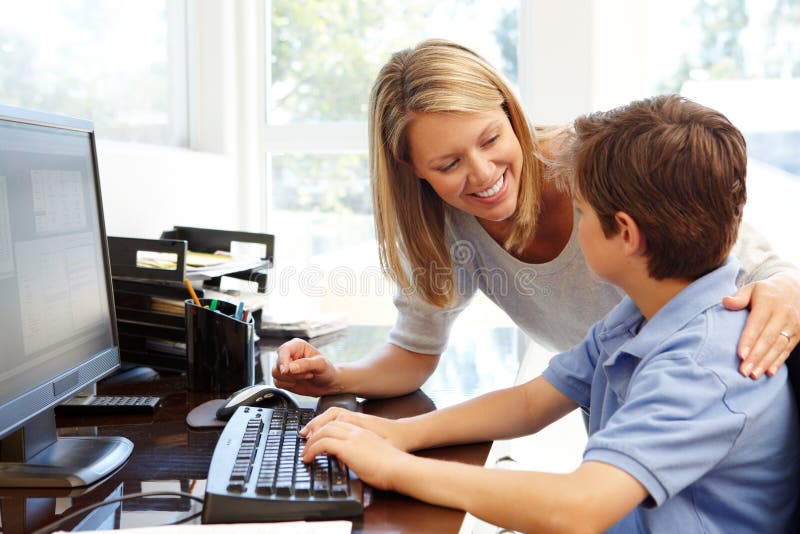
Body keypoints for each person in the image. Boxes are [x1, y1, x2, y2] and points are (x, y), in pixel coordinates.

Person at [299, 95, 800, 532]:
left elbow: (578, 510)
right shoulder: (638, 315)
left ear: (625, 234)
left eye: (579, 209)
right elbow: (533, 403)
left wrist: (393, 469)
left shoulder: (702, 364)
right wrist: (397, 434)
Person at [273, 39, 800, 399]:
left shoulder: (594, 163)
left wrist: (785, 288)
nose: (483, 175)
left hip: (712, 394)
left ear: (510, 111)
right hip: (619, 406)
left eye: (491, 139)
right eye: (449, 164)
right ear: (412, 170)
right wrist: (337, 377)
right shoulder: (441, 228)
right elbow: (415, 351)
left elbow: (761, 265)